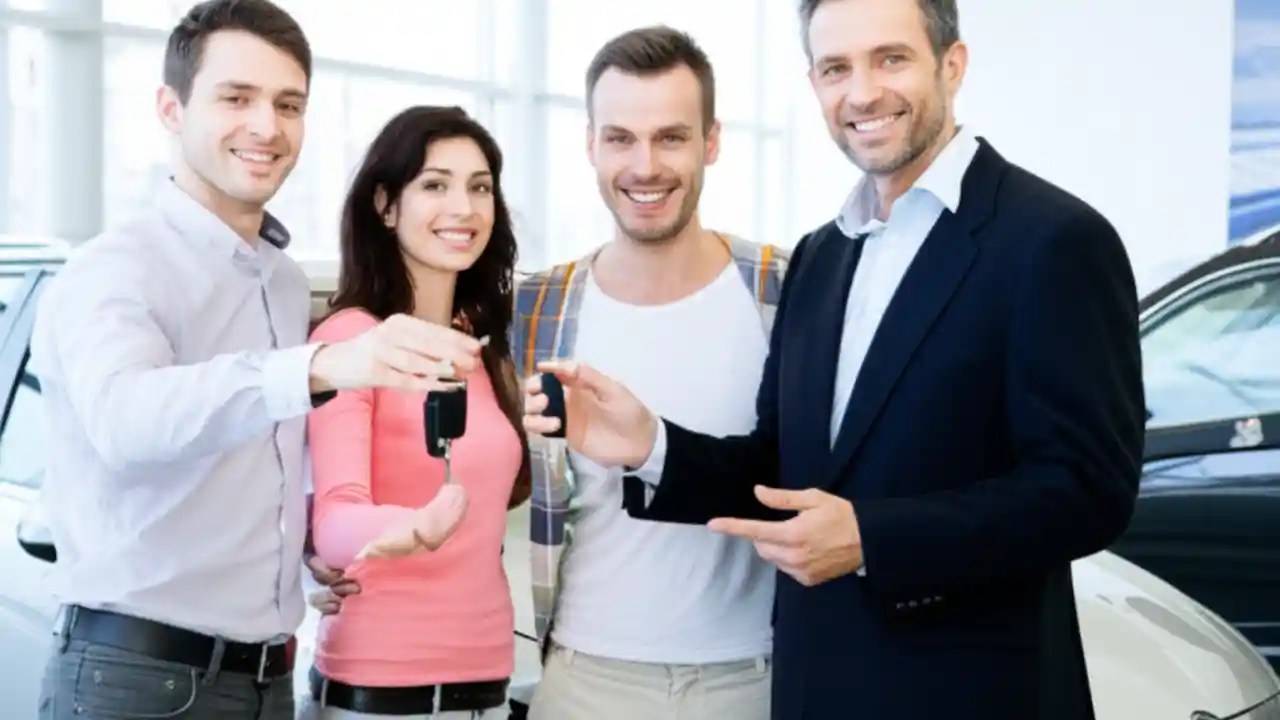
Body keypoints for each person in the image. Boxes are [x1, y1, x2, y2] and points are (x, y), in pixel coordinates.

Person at [522, 1, 1146, 719]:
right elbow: (784, 472)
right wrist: (652, 445)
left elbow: (1087, 490)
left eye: (890, 58)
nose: (861, 92)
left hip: (970, 697)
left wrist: (871, 539)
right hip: (815, 688)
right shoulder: (822, 256)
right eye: (835, 68)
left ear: (953, 64)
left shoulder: (1054, 239)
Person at [308, 25, 789, 720]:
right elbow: (339, 471)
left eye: (672, 137)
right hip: (575, 677)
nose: (645, 164)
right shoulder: (535, 311)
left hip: (748, 674)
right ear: (590, 145)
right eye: (620, 137)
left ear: (711, 142)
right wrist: (318, 547)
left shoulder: (785, 290)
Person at [30, 3, 482, 719]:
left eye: (288, 104)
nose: (267, 126)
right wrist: (319, 366)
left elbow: (253, 456)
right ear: (171, 109)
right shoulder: (116, 268)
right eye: (236, 98)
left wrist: (299, 550)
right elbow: (126, 419)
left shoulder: (280, 279)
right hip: (137, 676)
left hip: (266, 677)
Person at [299, 105, 531, 720]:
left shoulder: (484, 353)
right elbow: (335, 522)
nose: (464, 207)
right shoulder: (352, 341)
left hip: (487, 687)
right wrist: (414, 526)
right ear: (386, 205)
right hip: (381, 693)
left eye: (479, 187)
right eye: (435, 184)